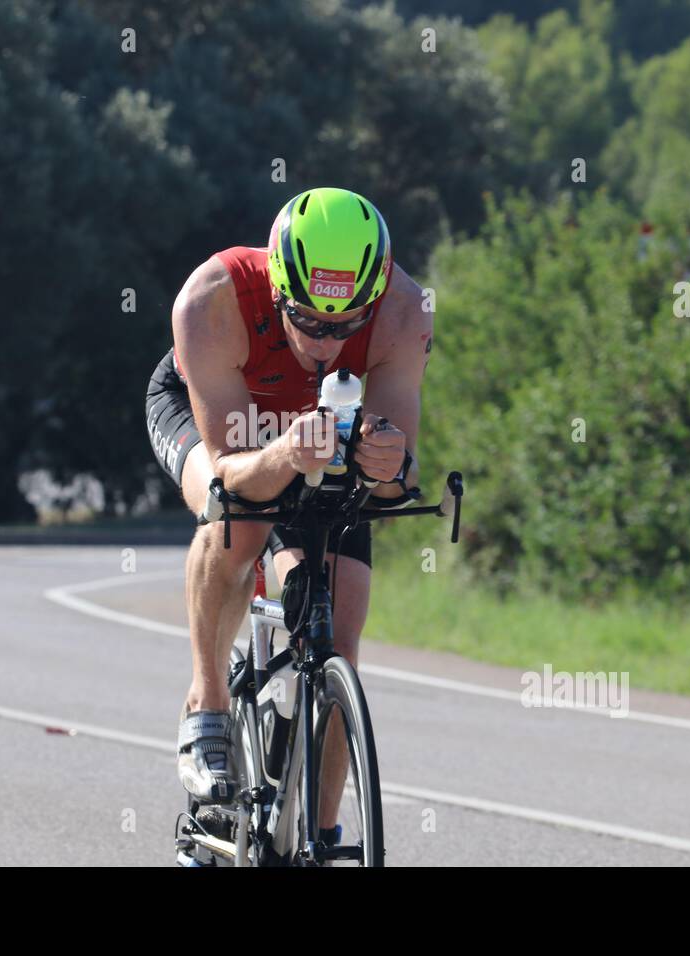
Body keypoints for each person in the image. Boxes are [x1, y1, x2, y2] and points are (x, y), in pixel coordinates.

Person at [145, 186, 431, 838]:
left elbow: (400, 472)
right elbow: (229, 474)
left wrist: (389, 465)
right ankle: (208, 705)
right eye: (309, 319)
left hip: (321, 432)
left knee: (345, 617)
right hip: (225, 420)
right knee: (233, 520)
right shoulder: (211, 300)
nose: (327, 342)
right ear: (277, 287)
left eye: (347, 323)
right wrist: (281, 455)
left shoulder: (403, 312)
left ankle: (322, 833)